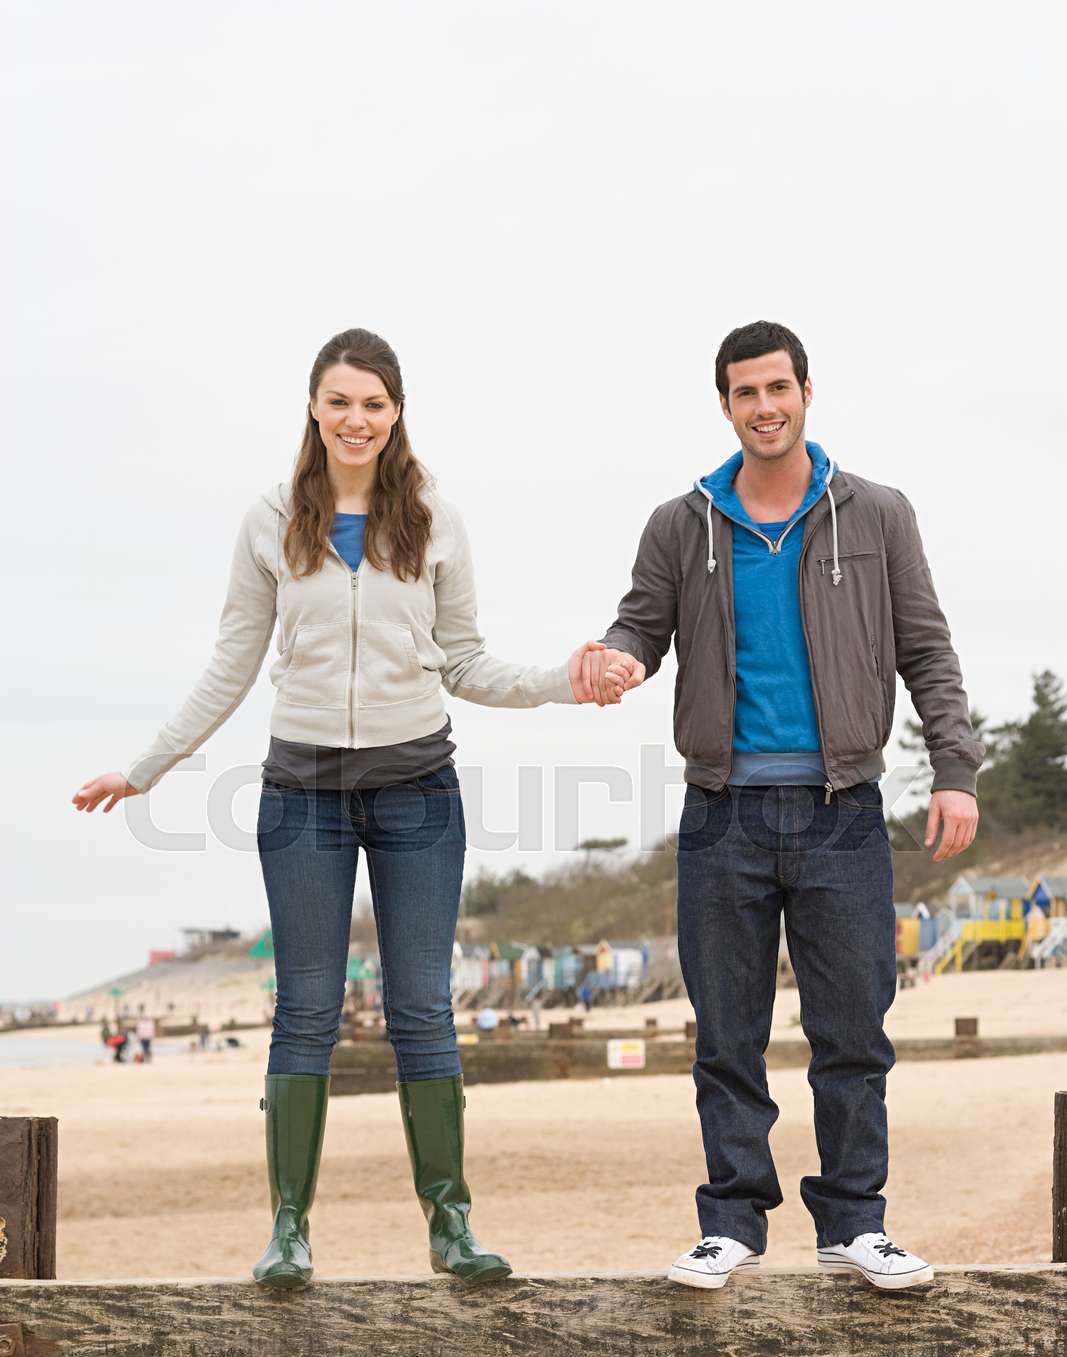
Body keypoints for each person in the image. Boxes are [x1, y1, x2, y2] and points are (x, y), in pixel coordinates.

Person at [72, 327, 629, 1292]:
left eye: (373, 403)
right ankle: (287, 1229)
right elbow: (231, 667)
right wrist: (146, 767)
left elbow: (465, 664)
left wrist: (564, 685)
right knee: (306, 1012)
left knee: (421, 1011)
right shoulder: (270, 522)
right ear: (313, 410)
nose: (356, 419)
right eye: (339, 402)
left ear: (397, 411)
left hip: (417, 791)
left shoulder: (435, 521)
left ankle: (450, 1224)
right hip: (302, 798)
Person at [583, 321, 982, 1293]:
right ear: (723, 405)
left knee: (853, 1031)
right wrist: (619, 656)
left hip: (842, 811)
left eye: (777, 388)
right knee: (726, 1034)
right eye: (743, 393)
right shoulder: (681, 526)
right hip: (721, 814)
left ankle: (853, 1222)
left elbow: (924, 649)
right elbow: (639, 622)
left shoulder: (876, 514)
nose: (763, 407)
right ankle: (730, 1224)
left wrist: (955, 768)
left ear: (806, 391)